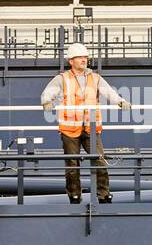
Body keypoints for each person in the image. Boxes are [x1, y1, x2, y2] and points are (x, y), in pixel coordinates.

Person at [40, 42, 130, 203]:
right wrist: (46, 102)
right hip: (69, 129)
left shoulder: (95, 78)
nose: (83, 60)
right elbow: (48, 93)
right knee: (72, 164)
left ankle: (103, 194)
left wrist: (120, 101)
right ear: (71, 61)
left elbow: (109, 92)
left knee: (99, 160)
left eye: (85, 57)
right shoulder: (62, 79)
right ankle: (74, 195)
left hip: (91, 127)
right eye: (79, 57)